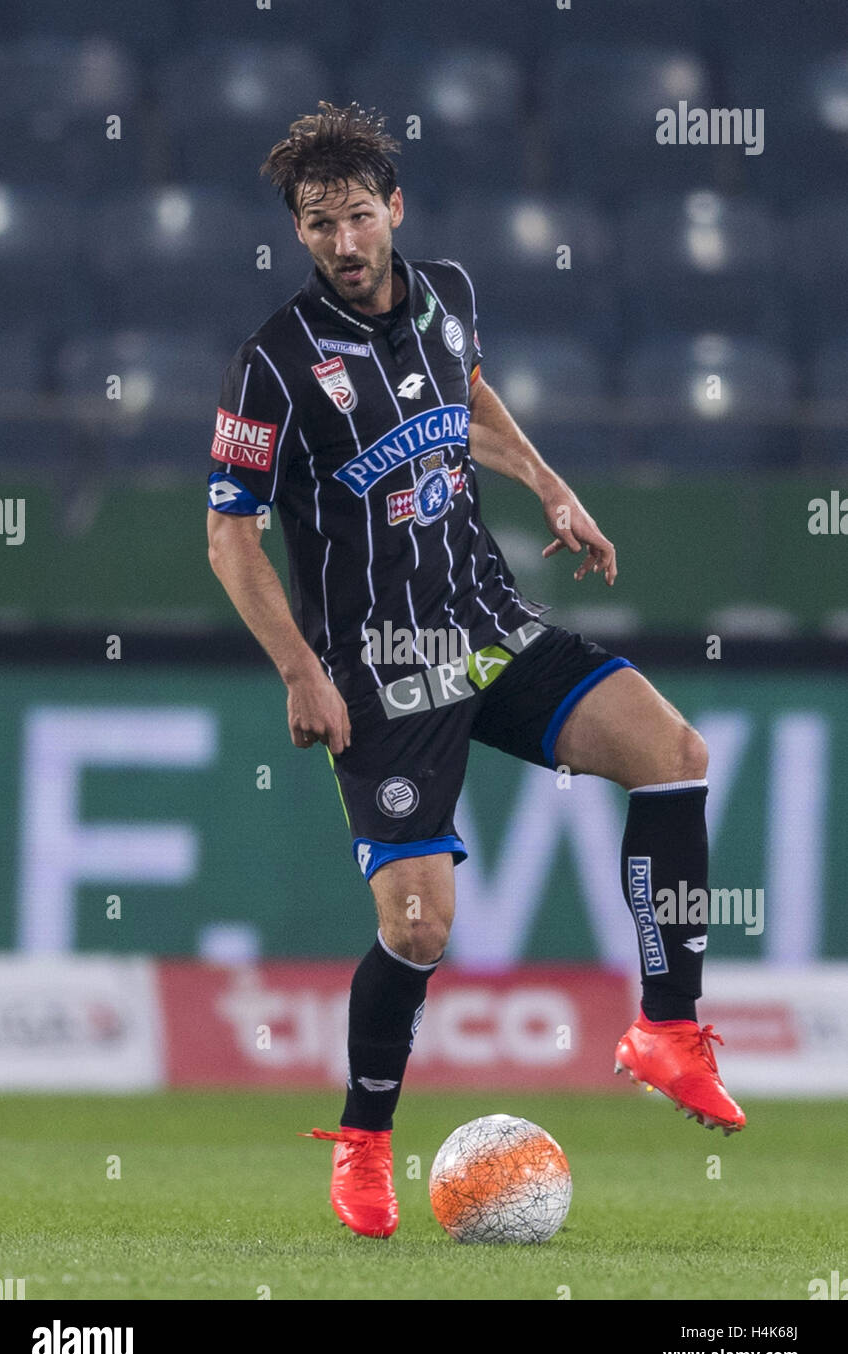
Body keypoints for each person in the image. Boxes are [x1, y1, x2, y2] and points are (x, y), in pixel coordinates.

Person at [206, 101, 745, 1240]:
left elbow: (464, 398)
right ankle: (361, 1140)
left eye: (358, 216)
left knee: (673, 756)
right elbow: (229, 534)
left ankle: (666, 1027)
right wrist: (300, 669)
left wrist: (549, 485)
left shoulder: (444, 290)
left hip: (483, 622)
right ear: (295, 233)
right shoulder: (273, 364)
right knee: (416, 930)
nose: (344, 244)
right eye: (318, 226)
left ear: (394, 209)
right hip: (380, 674)